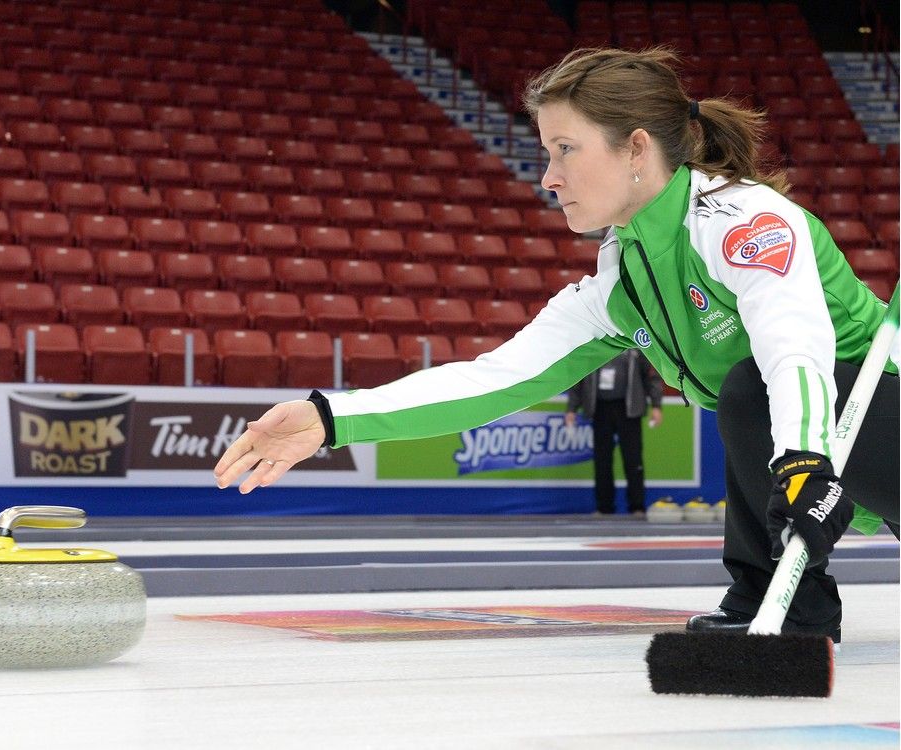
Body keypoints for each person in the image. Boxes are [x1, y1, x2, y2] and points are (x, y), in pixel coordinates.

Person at [215, 47, 899, 644]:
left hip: (874, 416)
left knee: (751, 387)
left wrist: (805, 462)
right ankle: (778, 600)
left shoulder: (744, 221)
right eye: (547, 153)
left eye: (565, 150)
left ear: (635, 148)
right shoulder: (620, 279)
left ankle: (784, 592)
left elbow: (795, 352)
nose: (549, 176)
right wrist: (334, 417)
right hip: (822, 446)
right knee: (743, 397)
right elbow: (498, 377)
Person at [565, 349, 663, 516]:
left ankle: (637, 506)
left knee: (633, 459)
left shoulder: (635, 348)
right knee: (602, 460)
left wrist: (656, 405)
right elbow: (579, 378)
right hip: (600, 408)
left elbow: (651, 376)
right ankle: (604, 506)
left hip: (628, 409)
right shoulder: (593, 347)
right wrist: (571, 408)